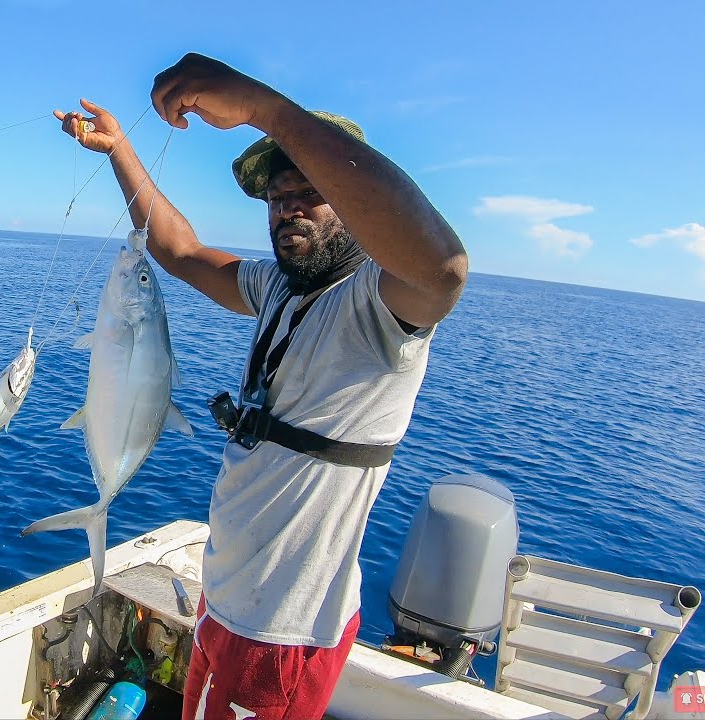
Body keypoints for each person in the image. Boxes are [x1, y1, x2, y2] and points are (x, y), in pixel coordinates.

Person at [55, 53, 467, 720]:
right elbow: (181, 251)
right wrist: (119, 149)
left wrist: (262, 109)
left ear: (356, 202)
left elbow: (443, 271)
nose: (288, 210)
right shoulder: (277, 288)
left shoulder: (381, 310)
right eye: (278, 198)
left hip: (281, 637)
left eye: (310, 191)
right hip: (226, 601)